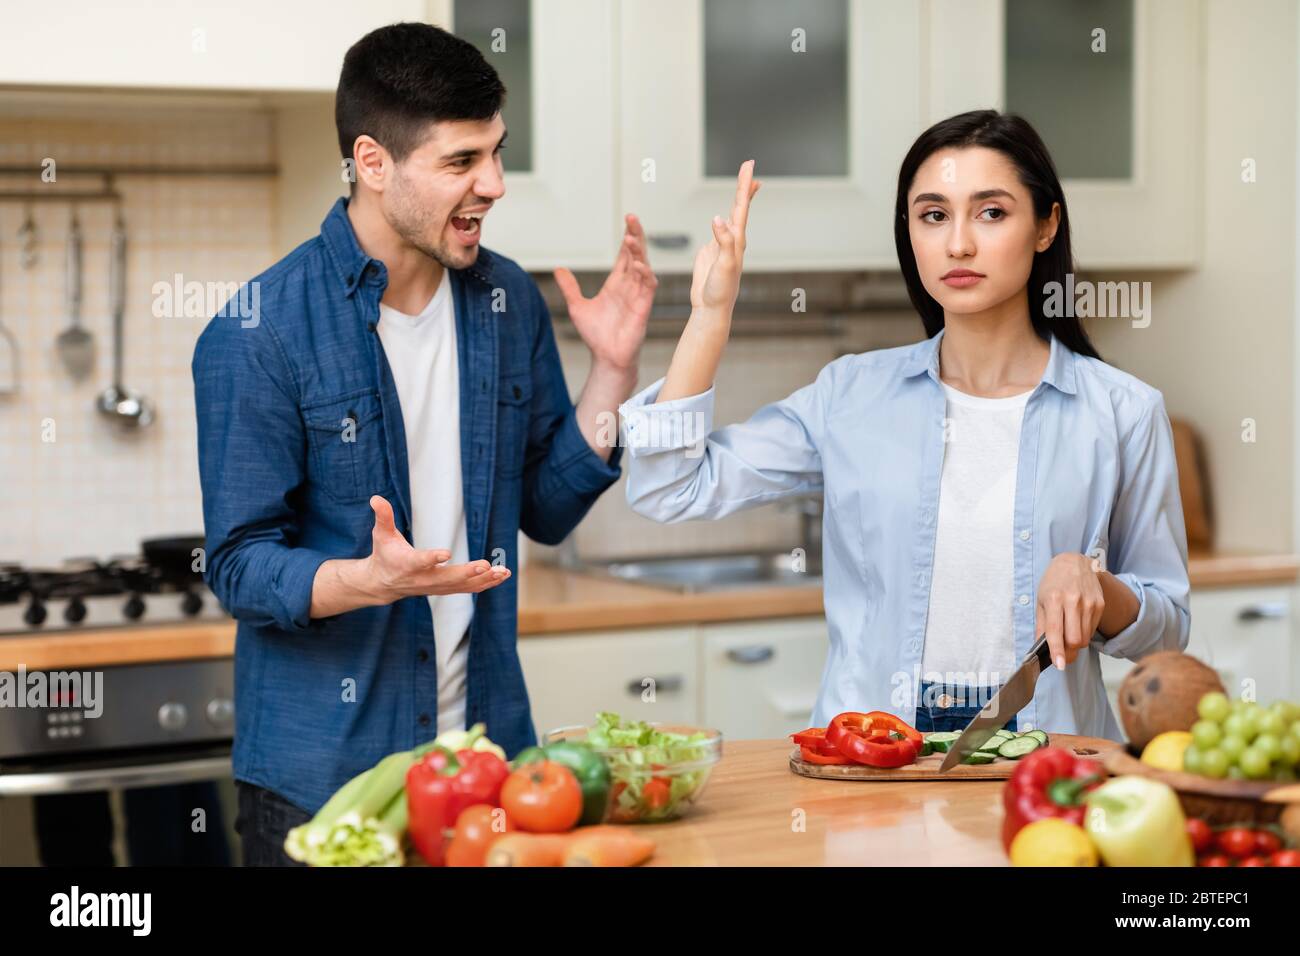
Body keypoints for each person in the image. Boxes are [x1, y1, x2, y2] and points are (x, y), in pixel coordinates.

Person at [192, 23, 654, 865]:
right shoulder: (258, 332)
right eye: (461, 162)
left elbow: (545, 512)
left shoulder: (506, 300)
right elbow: (238, 565)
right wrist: (365, 582)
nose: (495, 185)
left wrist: (612, 374)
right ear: (373, 163)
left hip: (489, 769)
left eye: (497, 153)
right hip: (325, 781)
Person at [620, 110, 1190, 739]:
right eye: (934, 215)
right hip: (871, 748)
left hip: (1046, 747)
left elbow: (1167, 628)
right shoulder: (851, 395)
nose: (959, 245)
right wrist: (709, 315)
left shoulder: (1124, 411)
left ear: (1045, 225)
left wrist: (1097, 585)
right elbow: (668, 488)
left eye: (991, 212)